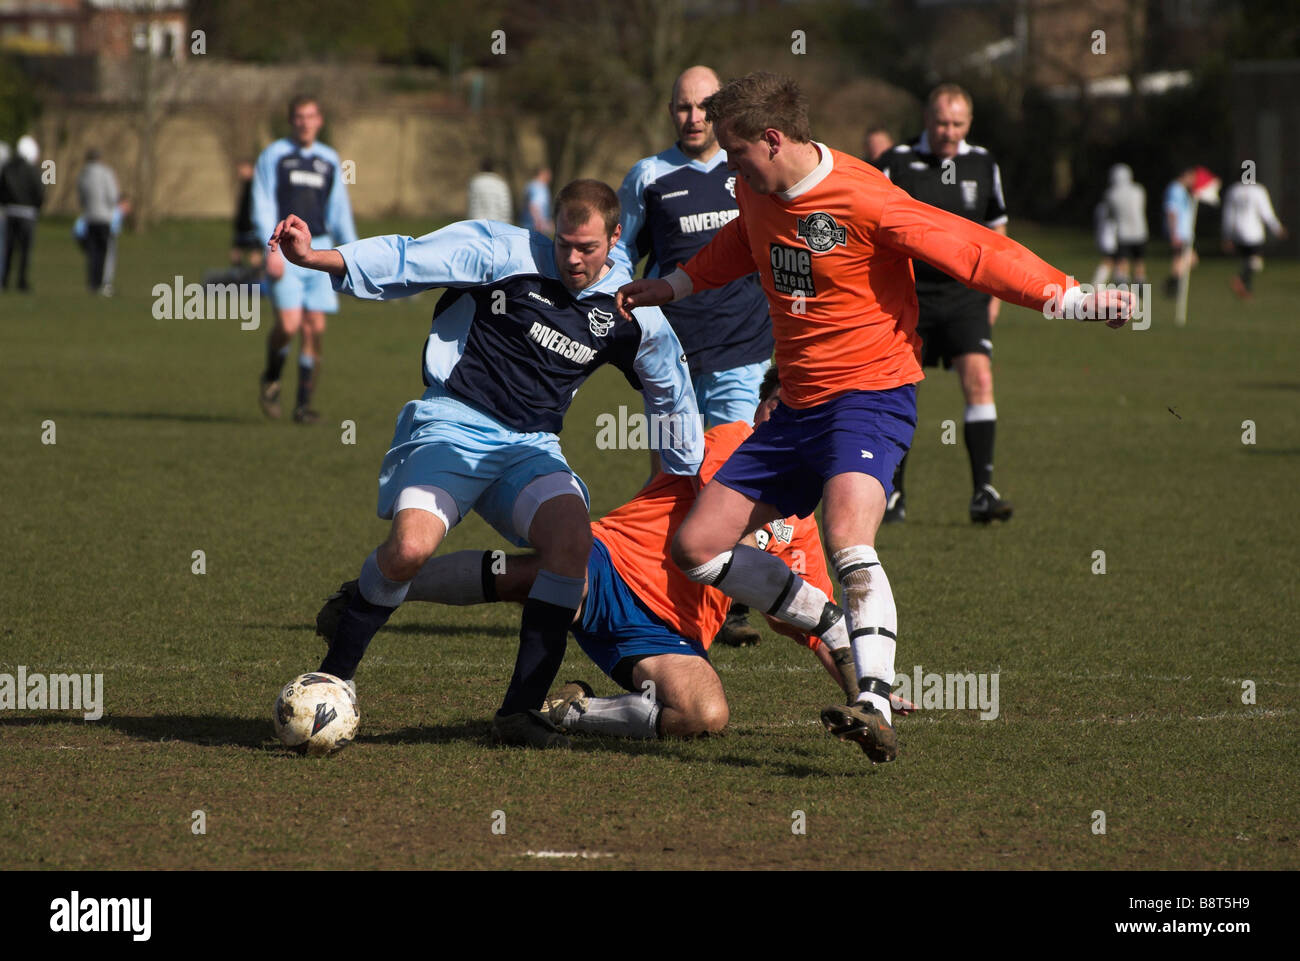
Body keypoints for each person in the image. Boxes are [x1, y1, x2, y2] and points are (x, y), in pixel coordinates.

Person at [616, 72, 1133, 763]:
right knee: (696, 546)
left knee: (847, 534)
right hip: (796, 406)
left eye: (737, 153)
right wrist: (675, 283)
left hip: (870, 394)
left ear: (773, 139)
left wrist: (1073, 297)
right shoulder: (754, 188)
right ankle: (828, 625)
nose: (728, 166)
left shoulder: (864, 197)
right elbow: (746, 241)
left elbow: (975, 250)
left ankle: (876, 701)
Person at [269, 178, 704, 749]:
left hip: (531, 448)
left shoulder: (632, 309)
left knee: (571, 547)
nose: (572, 258)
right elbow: (409, 257)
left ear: (616, 238)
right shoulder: (503, 251)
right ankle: (336, 675)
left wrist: (688, 473)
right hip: (452, 424)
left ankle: (519, 713)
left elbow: (669, 387)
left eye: (587, 248)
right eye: (564, 242)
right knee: (407, 551)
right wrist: (315, 258)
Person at [317, 368, 915, 739]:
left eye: (809, 414)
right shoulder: (735, 444)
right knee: (538, 575)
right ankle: (377, 590)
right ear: (765, 411)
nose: (793, 420)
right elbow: (724, 521)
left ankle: (571, 712)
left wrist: (868, 694)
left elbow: (815, 626)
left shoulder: (805, 526)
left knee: (704, 716)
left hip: (669, 633)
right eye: (784, 407)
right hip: (614, 563)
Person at [616, 64, 775, 647]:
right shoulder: (648, 176)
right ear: (669, 111)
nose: (694, 118)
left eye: (705, 106)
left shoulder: (747, 172)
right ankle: (668, 593)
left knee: (732, 472)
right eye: (683, 107)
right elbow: (620, 256)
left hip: (743, 352)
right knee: (674, 473)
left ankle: (731, 599)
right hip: (670, 359)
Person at [874, 83, 1013, 524]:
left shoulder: (982, 163)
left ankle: (983, 493)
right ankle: (893, 493)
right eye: (941, 122)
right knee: (902, 390)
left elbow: (997, 231)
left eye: (957, 123)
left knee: (979, 380)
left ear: (969, 123)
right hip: (907, 297)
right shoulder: (896, 163)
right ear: (926, 119)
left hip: (965, 296)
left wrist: (995, 292)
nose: (949, 131)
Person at [253, 95, 358, 424]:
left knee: (315, 329)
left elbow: (339, 210)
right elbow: (263, 202)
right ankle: (271, 377)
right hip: (284, 249)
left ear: (319, 120)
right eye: (299, 116)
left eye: (310, 116)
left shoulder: (329, 159)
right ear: (291, 121)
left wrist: (355, 253)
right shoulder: (275, 156)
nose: (304, 122)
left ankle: (302, 406)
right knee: (288, 325)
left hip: (321, 250)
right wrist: (268, 247)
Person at [1222, 174, 1287, 300]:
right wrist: (1277, 228)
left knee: (1247, 260)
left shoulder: (1233, 190)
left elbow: (1228, 215)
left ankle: (1246, 289)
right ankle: (1241, 279)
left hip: (1237, 233)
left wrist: (1227, 236)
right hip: (1254, 233)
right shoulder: (1258, 190)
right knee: (1256, 263)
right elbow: (1266, 212)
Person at [0, 135, 44, 293]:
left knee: (8, 249)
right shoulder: (32, 170)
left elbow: (2, 188)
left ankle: (4, 280)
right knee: (25, 250)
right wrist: (37, 207)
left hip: (10, 212)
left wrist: (6, 204)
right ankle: (21, 281)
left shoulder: (7, 168)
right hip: (27, 214)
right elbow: (39, 192)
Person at [77, 148, 120, 295]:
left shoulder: (83, 174)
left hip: (89, 217)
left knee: (92, 252)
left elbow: (81, 196)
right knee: (104, 252)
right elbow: (113, 196)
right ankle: (103, 283)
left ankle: (92, 283)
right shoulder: (106, 173)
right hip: (104, 218)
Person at [1104, 163, 1148, 287]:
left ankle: (1122, 285)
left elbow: (1110, 214)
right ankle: (1140, 288)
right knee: (1139, 261)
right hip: (1140, 231)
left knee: (1122, 261)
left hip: (1123, 233)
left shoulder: (1111, 194)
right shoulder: (1138, 190)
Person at [1163, 166, 1197, 297]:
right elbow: (1172, 211)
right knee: (1189, 259)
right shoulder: (1175, 189)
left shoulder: (1182, 190)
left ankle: (1173, 284)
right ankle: (1172, 283)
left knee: (1180, 260)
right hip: (1179, 232)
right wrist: (1174, 233)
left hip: (1183, 232)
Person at [230, 160, 263, 278]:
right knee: (236, 253)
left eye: (243, 169)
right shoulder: (244, 186)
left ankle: (257, 279)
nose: (240, 172)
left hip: (252, 227)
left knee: (255, 254)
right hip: (241, 227)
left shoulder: (256, 186)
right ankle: (239, 277)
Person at [466, 158, 513, 223]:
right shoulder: (500, 183)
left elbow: (471, 205)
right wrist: (506, 222)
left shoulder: (475, 182)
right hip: (496, 221)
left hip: (477, 221)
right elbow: (505, 205)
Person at [519, 166, 553, 234]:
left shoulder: (530, 185)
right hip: (535, 227)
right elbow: (533, 205)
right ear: (542, 173)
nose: (550, 177)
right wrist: (539, 222)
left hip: (526, 225)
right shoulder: (539, 187)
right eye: (548, 174)